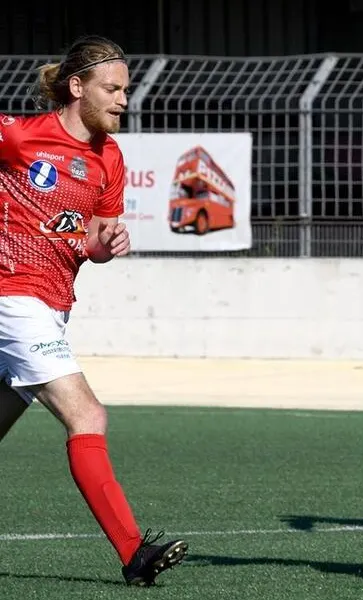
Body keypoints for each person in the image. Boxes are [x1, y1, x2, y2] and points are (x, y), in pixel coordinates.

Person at [0, 35, 187, 587]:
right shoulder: (19, 135)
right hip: (14, 297)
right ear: (76, 87)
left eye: (126, 90)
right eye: (112, 88)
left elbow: (95, 238)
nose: (123, 99)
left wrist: (103, 246)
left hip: (51, 305)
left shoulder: (110, 157)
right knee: (88, 416)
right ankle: (134, 553)